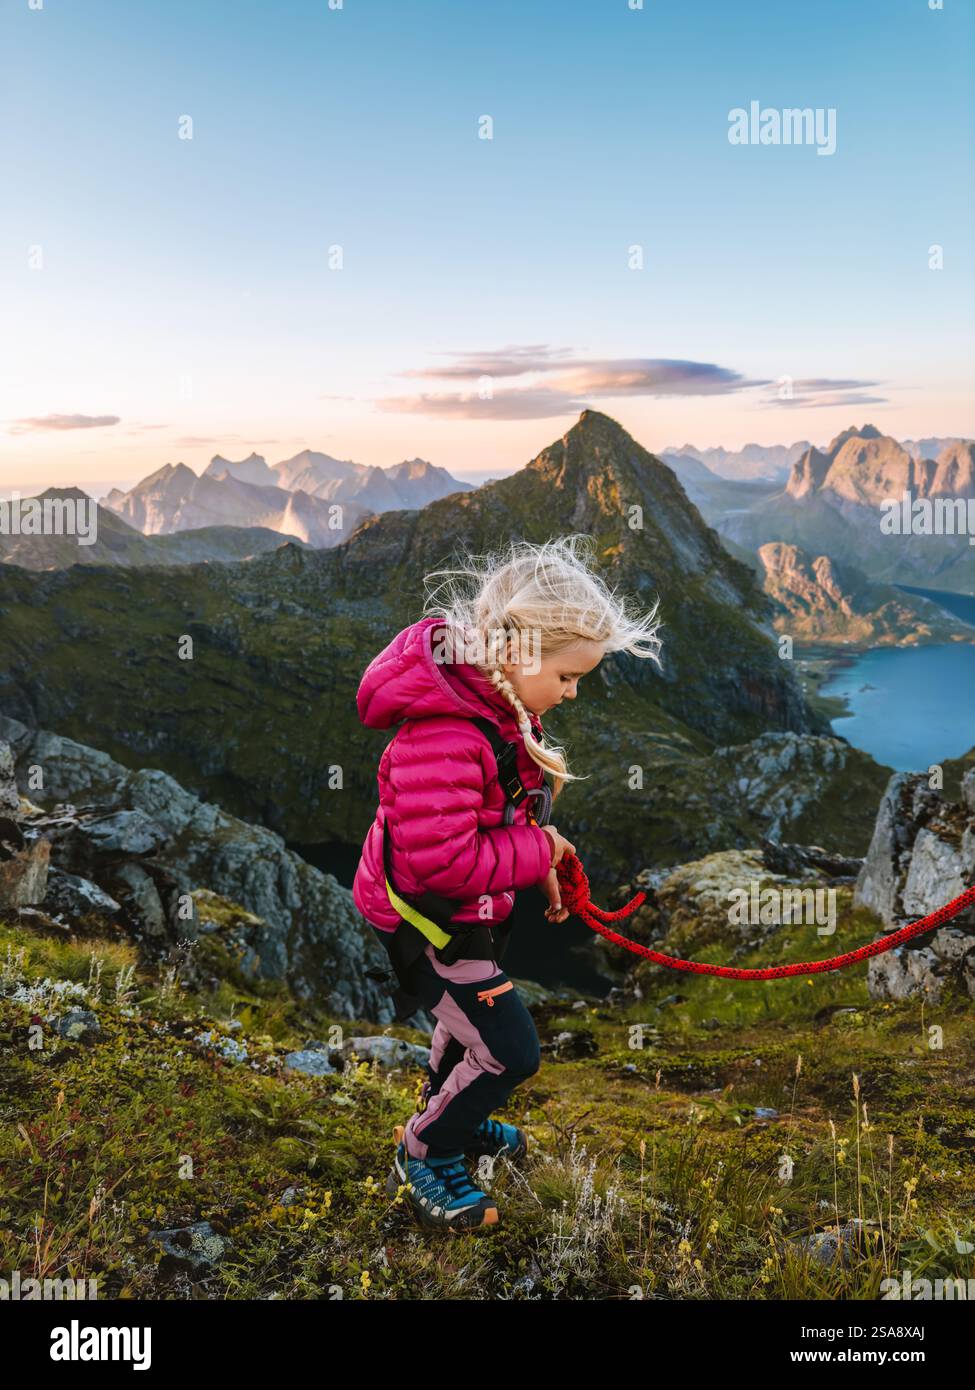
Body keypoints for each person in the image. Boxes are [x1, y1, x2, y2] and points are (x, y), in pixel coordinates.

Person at [352, 534, 663, 1230]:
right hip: (427, 919)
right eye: (566, 677)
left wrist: (542, 854)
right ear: (520, 655)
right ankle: (426, 1147)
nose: (572, 692)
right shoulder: (448, 735)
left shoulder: (491, 707)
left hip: (461, 911)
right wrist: (536, 850)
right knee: (512, 1052)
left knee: (469, 1028)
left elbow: (486, 830)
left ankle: (450, 1115)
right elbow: (443, 863)